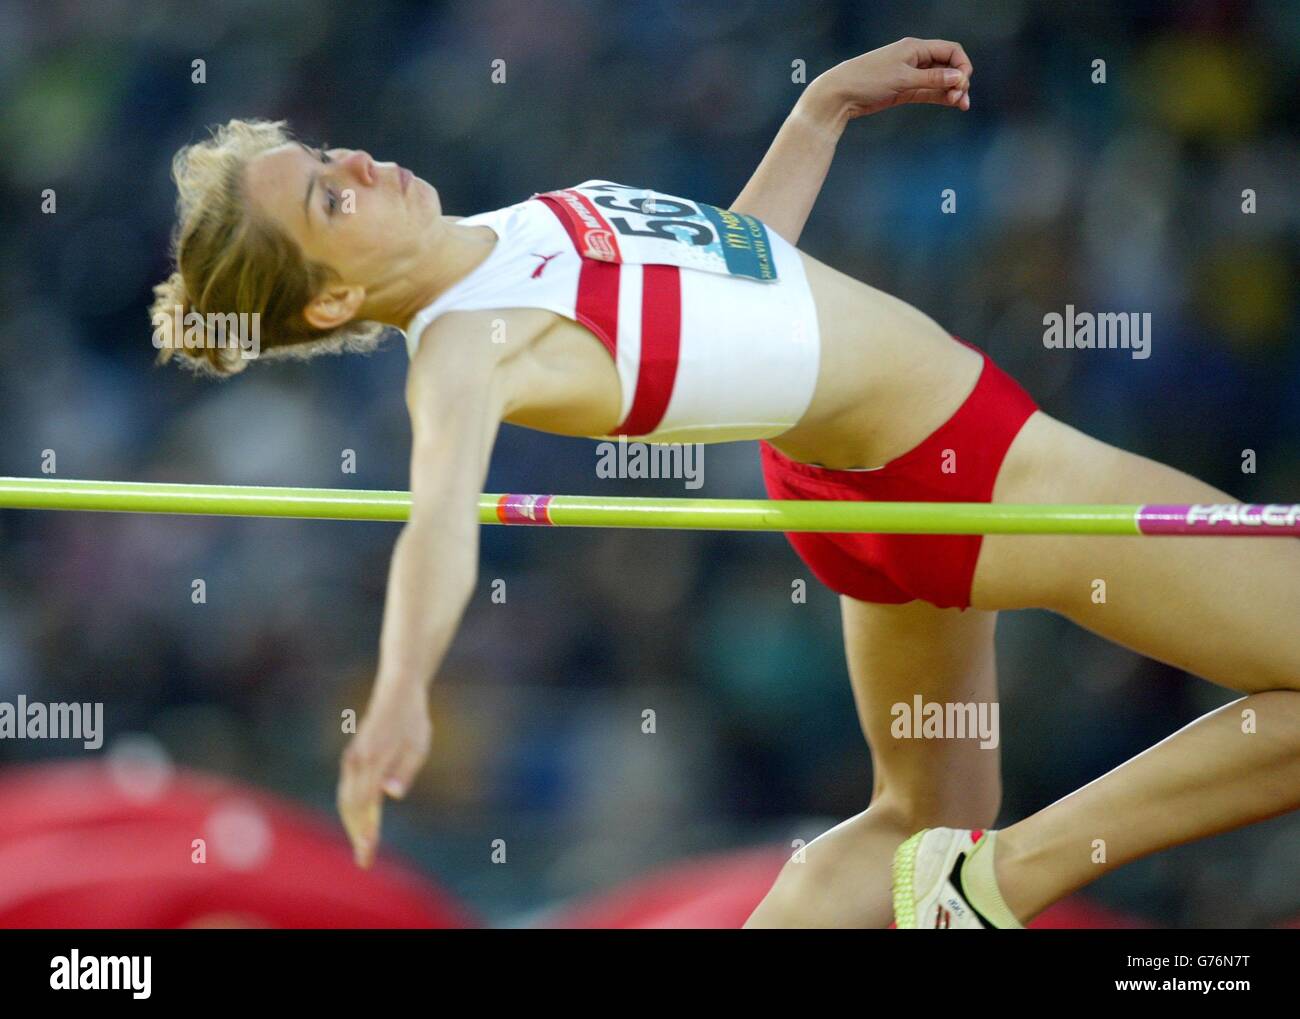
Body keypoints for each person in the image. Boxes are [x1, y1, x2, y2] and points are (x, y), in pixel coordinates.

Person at [151, 38, 1300, 928]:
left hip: (848, 491)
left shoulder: (500, 234)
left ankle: (920, 881)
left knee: (916, 817)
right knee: (978, 839)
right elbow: (437, 516)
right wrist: (401, 687)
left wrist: (818, 112)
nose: (354, 164)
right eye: (328, 200)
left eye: (325, 157)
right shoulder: (466, 340)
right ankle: (1003, 881)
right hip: (959, 466)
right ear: (334, 303)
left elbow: (736, 283)